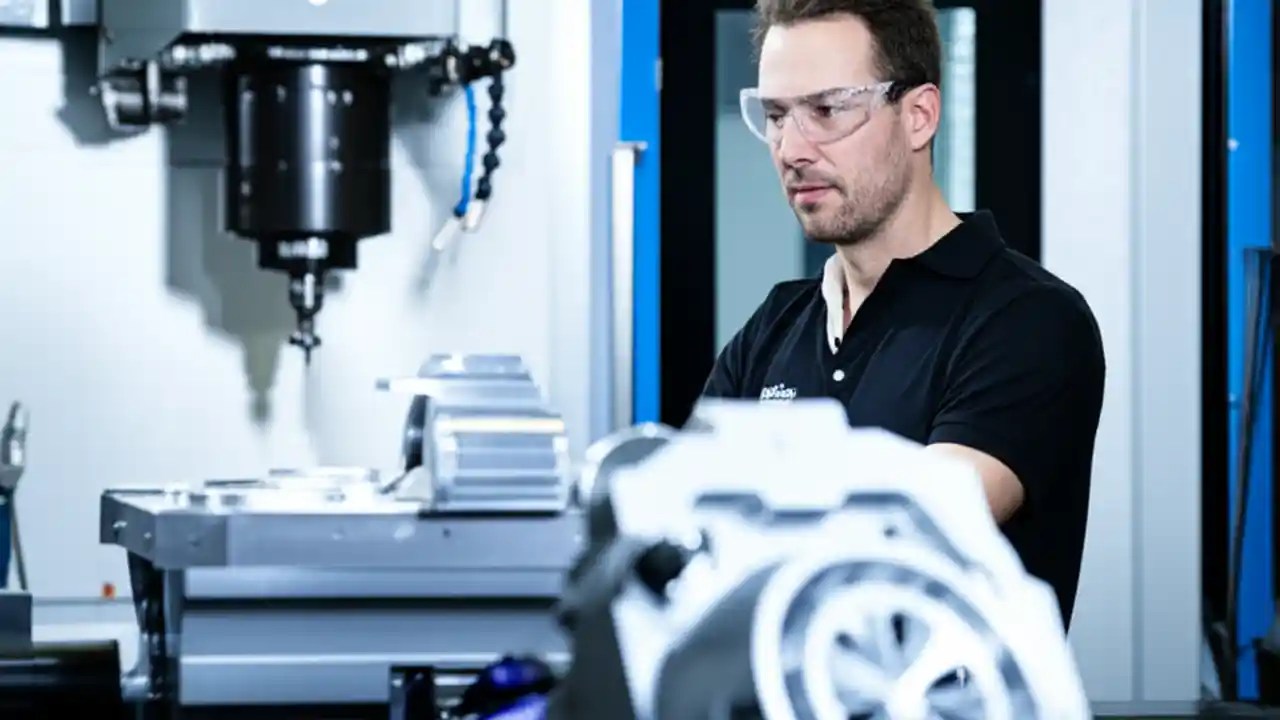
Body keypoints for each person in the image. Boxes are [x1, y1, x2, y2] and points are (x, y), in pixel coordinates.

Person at [703, 0, 1106, 628]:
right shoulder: (775, 326)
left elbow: (907, 530)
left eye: (827, 110)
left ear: (918, 116)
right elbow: (690, 525)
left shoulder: (1028, 321)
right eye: (777, 116)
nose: (791, 149)